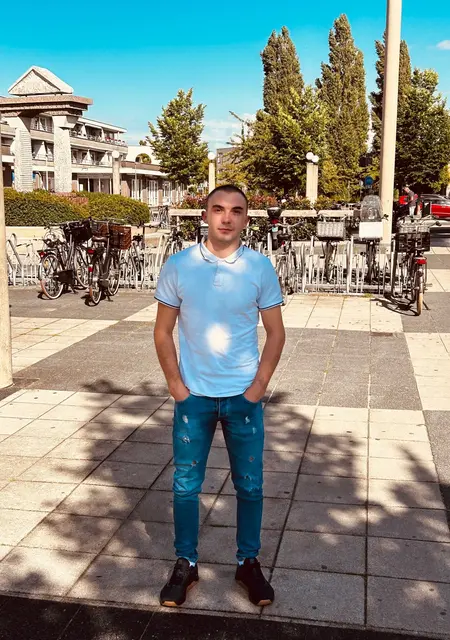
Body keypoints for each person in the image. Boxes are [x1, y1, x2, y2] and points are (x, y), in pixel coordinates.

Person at [154, 184, 286, 608]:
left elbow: (276, 332)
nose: (226, 217)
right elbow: (162, 331)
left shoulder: (259, 267)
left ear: (246, 218)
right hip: (193, 398)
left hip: (242, 398)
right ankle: (186, 562)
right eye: (218, 209)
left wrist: (258, 387)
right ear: (205, 215)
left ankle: (248, 562)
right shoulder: (180, 265)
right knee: (185, 486)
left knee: (250, 486)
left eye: (236, 210)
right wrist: (176, 385)